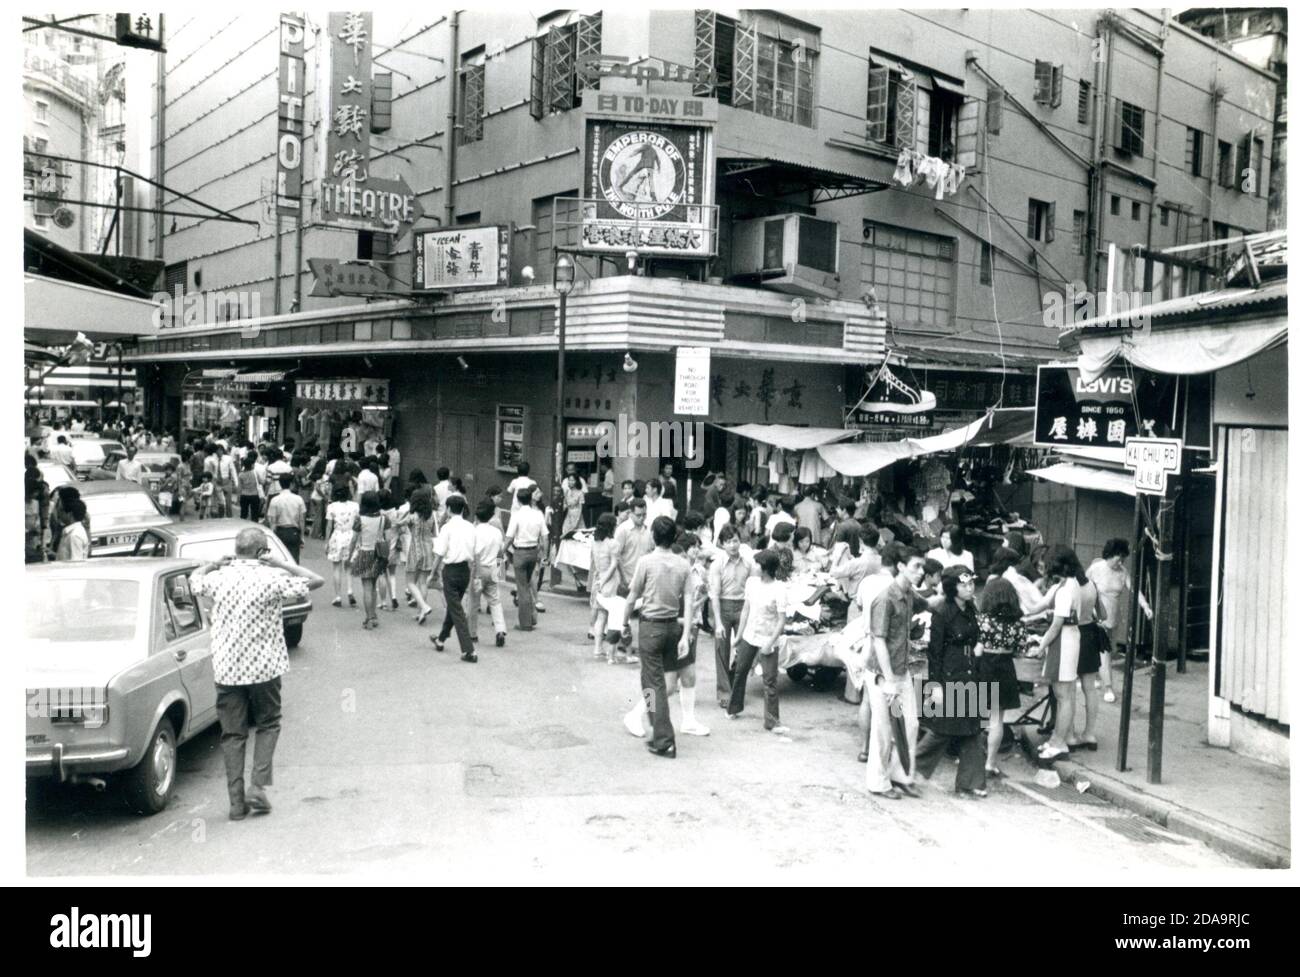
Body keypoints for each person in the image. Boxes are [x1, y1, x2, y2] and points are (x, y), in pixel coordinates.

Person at [191, 527, 324, 819]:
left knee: (232, 735)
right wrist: (277, 563)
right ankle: (258, 786)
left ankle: (236, 803)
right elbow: (316, 580)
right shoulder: (272, 578)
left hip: (228, 669)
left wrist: (215, 563)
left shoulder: (217, 578)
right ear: (262, 551)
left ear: (236, 550)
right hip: (265, 667)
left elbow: (193, 581)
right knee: (268, 723)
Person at [622, 516, 696, 757]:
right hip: (674, 628)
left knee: (654, 684)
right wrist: (685, 635)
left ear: (654, 536)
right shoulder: (683, 565)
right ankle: (656, 728)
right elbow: (690, 603)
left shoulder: (646, 562)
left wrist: (623, 622)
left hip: (651, 628)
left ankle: (664, 739)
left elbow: (633, 596)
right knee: (654, 684)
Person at [913, 566, 988, 797]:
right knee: (943, 729)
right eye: (964, 584)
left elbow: (978, 636)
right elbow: (934, 655)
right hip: (950, 673)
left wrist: (979, 647)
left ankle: (970, 782)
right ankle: (909, 772)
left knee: (973, 729)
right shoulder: (942, 613)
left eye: (971, 583)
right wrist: (936, 687)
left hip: (971, 671)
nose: (970, 588)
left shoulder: (972, 608)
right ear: (952, 587)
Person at [864, 544, 926, 799]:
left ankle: (901, 775)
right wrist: (889, 681)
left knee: (910, 724)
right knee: (883, 730)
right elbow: (878, 640)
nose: (921, 572)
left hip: (901, 671)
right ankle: (878, 782)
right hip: (882, 675)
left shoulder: (909, 594)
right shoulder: (885, 598)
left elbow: (929, 603)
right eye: (916, 567)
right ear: (901, 567)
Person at [1037, 545, 1105, 761]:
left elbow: (1057, 624)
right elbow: (1100, 613)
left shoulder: (1067, 588)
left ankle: (1061, 741)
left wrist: (1040, 645)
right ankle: (1067, 736)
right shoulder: (1079, 583)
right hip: (1078, 637)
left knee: (1064, 695)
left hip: (1066, 640)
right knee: (1069, 692)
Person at [725, 547, 790, 734]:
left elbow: (781, 620)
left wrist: (770, 643)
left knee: (770, 680)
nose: (755, 567)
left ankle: (772, 721)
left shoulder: (779, 589)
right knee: (740, 671)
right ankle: (733, 708)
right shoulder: (752, 583)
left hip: (768, 639)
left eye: (758, 564)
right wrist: (738, 636)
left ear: (767, 568)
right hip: (749, 636)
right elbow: (746, 609)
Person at [977, 552, 1029, 777]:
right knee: (997, 719)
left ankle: (968, 757)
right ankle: (990, 763)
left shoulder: (982, 620)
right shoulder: (1017, 624)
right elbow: (1020, 651)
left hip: (983, 665)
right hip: (1005, 667)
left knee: (973, 713)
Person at [1088, 538, 1152, 703]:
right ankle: (1108, 687)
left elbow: (1135, 590)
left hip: (1114, 617)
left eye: (1123, 558)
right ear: (1110, 555)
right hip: (1097, 616)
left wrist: (1145, 606)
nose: (1121, 561)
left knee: (1109, 650)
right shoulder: (1096, 568)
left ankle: (1095, 676)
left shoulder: (1123, 572)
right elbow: (1083, 586)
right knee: (1105, 652)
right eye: (1119, 558)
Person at [708, 524, 752, 708]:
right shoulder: (717, 564)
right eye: (728, 542)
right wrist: (718, 623)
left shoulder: (749, 563)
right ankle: (724, 693)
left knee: (744, 651)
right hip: (723, 606)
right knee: (722, 651)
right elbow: (714, 595)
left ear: (740, 541)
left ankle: (737, 689)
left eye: (735, 541)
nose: (733, 545)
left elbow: (754, 589)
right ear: (722, 544)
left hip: (743, 606)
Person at [429, 495, 477, 660]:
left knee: (456, 610)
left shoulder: (447, 528)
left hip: (450, 571)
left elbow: (439, 554)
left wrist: (432, 573)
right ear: (463, 509)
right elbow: (475, 552)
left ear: (448, 509)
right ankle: (441, 639)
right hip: (465, 570)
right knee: (454, 606)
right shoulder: (471, 527)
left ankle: (468, 650)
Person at [504, 486, 548, 631]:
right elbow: (545, 537)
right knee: (528, 584)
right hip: (533, 552)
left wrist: (501, 551)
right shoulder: (538, 514)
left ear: (518, 499)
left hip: (520, 552)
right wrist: (545, 555)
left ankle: (525, 623)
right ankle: (531, 617)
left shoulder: (516, 515)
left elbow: (509, 537)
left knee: (522, 588)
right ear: (530, 499)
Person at [470, 498, 508, 649]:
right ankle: (500, 629)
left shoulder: (475, 532)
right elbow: (500, 553)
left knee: (473, 603)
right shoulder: (497, 532)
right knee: (495, 601)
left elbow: (476, 555)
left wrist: (477, 575)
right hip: (493, 568)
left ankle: (472, 633)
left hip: (479, 569)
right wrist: (500, 574)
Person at [348, 491, 389, 630]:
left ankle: (369, 618)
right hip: (379, 554)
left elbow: (354, 539)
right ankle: (374, 615)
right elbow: (387, 539)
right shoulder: (384, 519)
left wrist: (349, 555)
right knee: (373, 586)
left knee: (366, 587)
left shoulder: (360, 519)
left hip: (364, 553)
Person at [589, 512, 623, 662]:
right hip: (609, 581)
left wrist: (599, 581)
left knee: (600, 615)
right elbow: (614, 564)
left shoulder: (595, 542)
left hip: (598, 577)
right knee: (611, 616)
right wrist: (605, 581)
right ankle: (611, 650)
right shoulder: (613, 543)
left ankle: (597, 648)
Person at [405, 486, 439, 625]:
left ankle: (424, 607)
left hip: (415, 549)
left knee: (411, 582)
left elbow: (408, 529)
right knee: (423, 582)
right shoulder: (433, 515)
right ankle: (421, 612)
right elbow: (435, 533)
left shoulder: (412, 516)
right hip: (428, 548)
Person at [325, 483, 360, 609]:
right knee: (349, 567)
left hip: (337, 536)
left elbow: (329, 526)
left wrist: (326, 542)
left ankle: (338, 596)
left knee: (336, 567)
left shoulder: (332, 507)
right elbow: (357, 522)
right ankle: (350, 590)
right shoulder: (355, 506)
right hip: (350, 536)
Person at [265, 474, 306, 563]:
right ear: (291, 484)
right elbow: (301, 520)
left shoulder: (275, 500)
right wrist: (302, 536)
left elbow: (272, 521)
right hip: (294, 532)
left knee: (280, 560)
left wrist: (273, 535)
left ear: (280, 484)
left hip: (280, 532)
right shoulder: (299, 499)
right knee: (294, 560)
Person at [55, 497, 90, 562]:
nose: (59, 514)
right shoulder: (70, 533)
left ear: (70, 514)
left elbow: (75, 563)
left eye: (62, 510)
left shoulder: (74, 536)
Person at [237, 454, 263, 521]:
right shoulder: (255, 473)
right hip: (254, 495)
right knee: (254, 513)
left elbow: (239, 487)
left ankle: (242, 525)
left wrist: (238, 497)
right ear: (251, 465)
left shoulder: (241, 474)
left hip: (244, 495)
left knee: (243, 513)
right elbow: (261, 482)